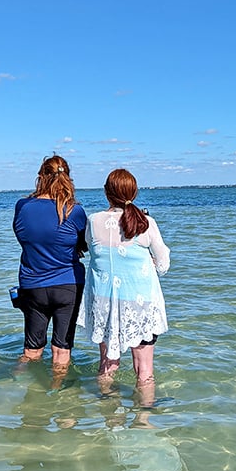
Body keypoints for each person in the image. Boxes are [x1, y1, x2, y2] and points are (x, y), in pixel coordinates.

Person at [79, 168, 170, 398]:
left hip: (105, 302)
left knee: (107, 366)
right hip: (140, 305)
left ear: (106, 193)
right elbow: (163, 265)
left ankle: (109, 414)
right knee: (144, 371)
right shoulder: (146, 222)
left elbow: (93, 250)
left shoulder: (93, 220)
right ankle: (144, 419)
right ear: (135, 192)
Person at [13, 154, 86, 375]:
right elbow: (84, 244)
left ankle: (16, 384)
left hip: (32, 285)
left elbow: (22, 236)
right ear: (68, 178)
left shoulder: (23, 206)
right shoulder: (75, 211)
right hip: (68, 285)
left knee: (32, 349)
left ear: (41, 177)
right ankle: (59, 395)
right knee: (61, 350)